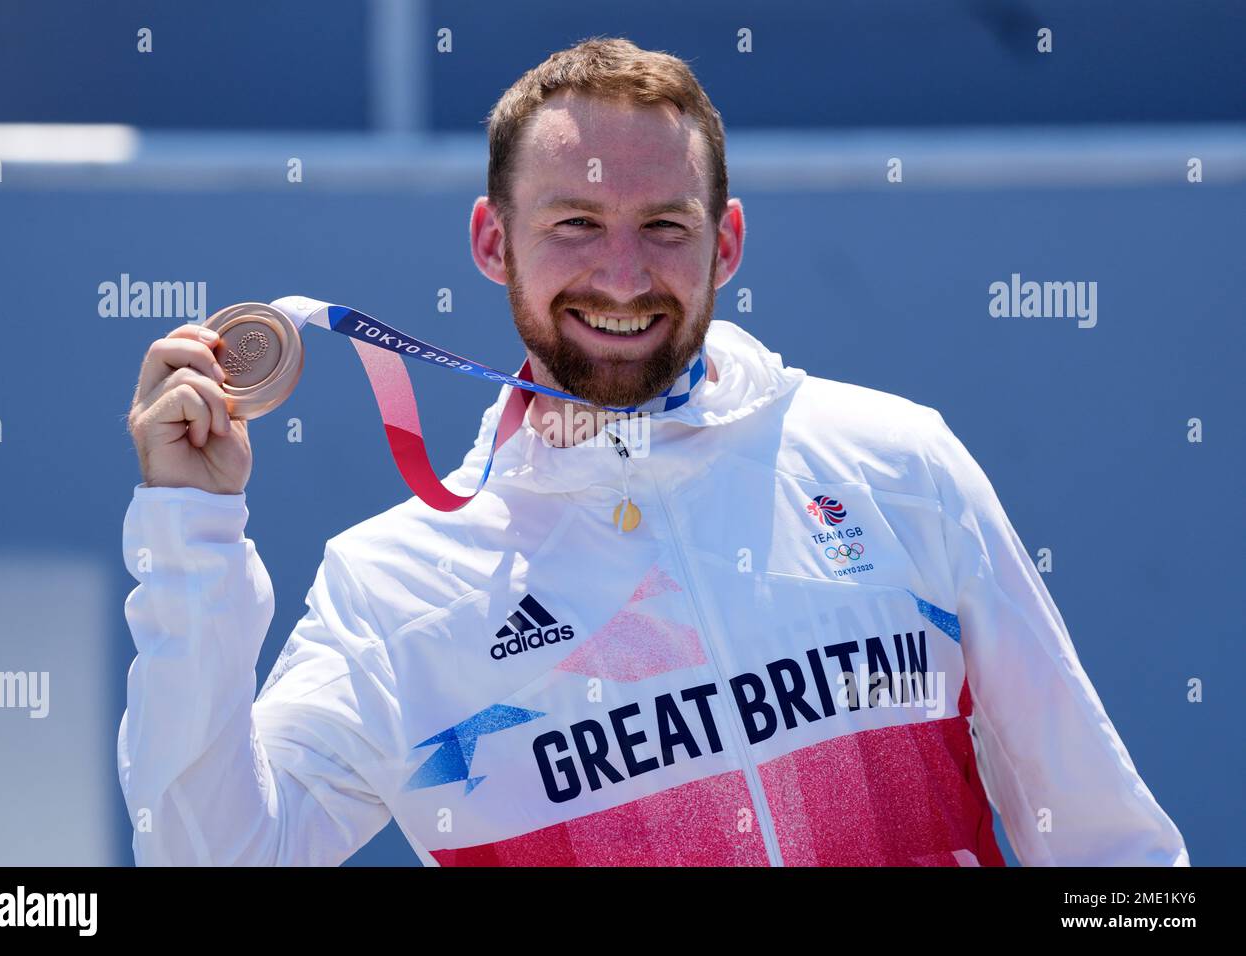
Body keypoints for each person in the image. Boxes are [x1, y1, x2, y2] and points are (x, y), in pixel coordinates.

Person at [118, 37, 1188, 867]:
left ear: (725, 240)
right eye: (575, 222)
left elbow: (1105, 843)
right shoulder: (396, 589)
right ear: (493, 242)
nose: (623, 277)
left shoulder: (897, 462)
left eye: (665, 226)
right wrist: (191, 534)